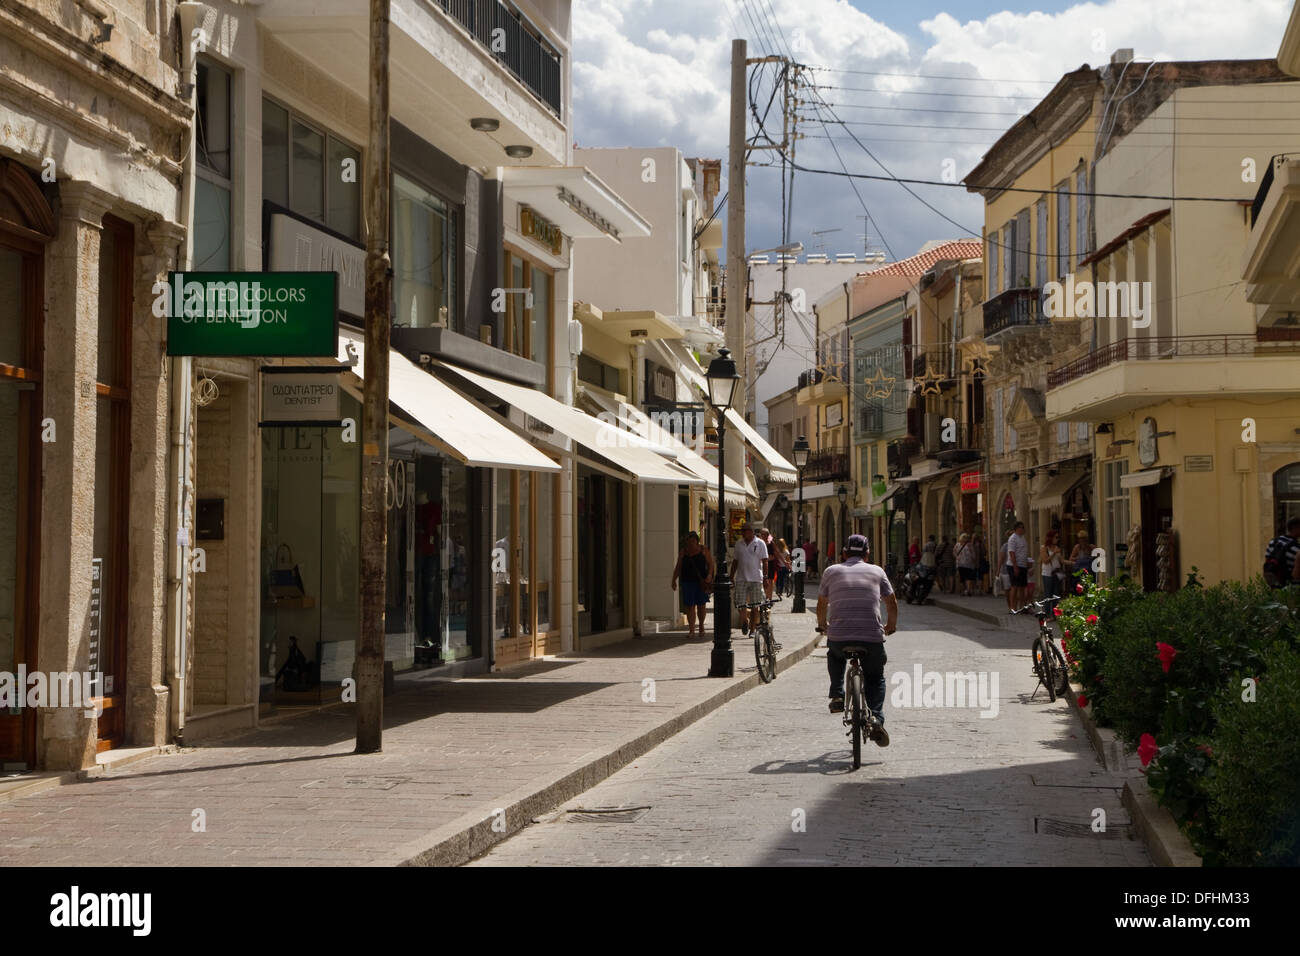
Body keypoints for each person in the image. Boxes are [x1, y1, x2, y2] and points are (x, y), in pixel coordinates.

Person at [817, 533, 898, 747]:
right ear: (868, 554)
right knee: (875, 677)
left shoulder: (831, 571)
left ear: (844, 553)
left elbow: (822, 604)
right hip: (871, 638)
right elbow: (891, 602)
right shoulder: (877, 571)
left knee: (834, 655)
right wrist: (891, 626)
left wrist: (823, 625)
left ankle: (836, 695)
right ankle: (876, 718)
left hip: (839, 637)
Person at [671, 531, 715, 638]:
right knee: (690, 606)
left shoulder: (703, 550)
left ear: (697, 541)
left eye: (693, 541)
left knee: (701, 605)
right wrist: (673, 580)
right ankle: (691, 630)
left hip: (701, 582)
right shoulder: (683, 552)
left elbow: (711, 564)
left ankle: (701, 626)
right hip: (687, 582)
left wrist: (709, 575)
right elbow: (678, 566)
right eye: (689, 541)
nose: (690, 543)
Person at [731, 523, 769, 634]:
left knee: (755, 606)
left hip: (756, 579)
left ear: (751, 531)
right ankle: (744, 621)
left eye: (745, 530)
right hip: (741, 578)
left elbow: (765, 561)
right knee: (740, 603)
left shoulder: (760, 543)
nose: (743, 533)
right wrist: (731, 576)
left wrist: (766, 577)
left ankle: (752, 630)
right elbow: (735, 561)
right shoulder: (739, 543)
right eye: (742, 531)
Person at [1263, 516, 1300, 588]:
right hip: (1288, 585)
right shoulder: (1296, 548)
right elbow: (1296, 574)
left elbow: (1267, 559)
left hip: (1273, 582)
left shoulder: (1273, 541)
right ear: (1295, 528)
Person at [1005, 521, 1029, 611]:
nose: (1023, 529)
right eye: (1021, 527)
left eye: (1023, 527)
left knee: (1022, 586)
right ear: (1017, 529)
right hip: (1013, 565)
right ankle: (1012, 607)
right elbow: (1012, 553)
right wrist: (1015, 566)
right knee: (1014, 586)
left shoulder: (1022, 537)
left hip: (1022, 565)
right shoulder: (1013, 538)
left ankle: (1022, 606)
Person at [1039, 529, 1064, 600]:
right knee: (1048, 595)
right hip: (1047, 574)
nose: (1057, 539)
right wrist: (1054, 553)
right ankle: (1047, 611)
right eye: (1056, 537)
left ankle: (1054, 611)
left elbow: (1061, 560)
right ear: (1051, 537)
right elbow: (1045, 561)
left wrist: (1073, 562)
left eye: (1058, 537)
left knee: (1056, 595)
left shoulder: (1057, 548)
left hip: (1056, 573)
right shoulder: (1044, 548)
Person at [955, 532, 977, 597]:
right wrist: (974, 560)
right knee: (968, 577)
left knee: (962, 578)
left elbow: (954, 552)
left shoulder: (957, 545)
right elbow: (973, 554)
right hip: (968, 563)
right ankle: (968, 590)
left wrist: (957, 557)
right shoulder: (969, 545)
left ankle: (963, 591)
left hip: (960, 564)